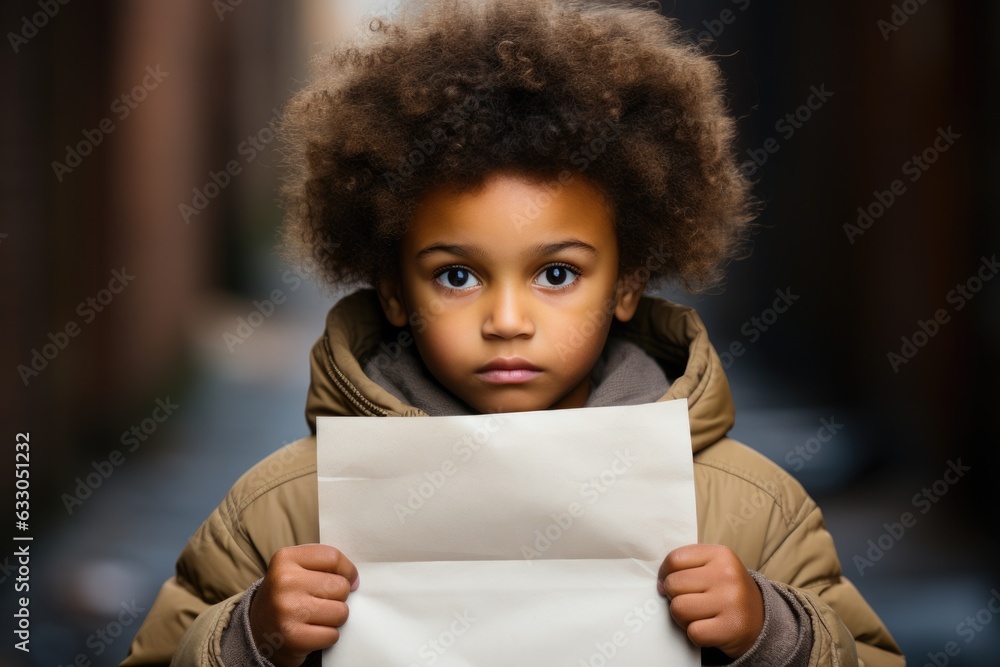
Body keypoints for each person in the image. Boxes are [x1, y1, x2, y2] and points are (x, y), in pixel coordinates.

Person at [121, 0, 904, 665]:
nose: (506, 320)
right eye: (456, 275)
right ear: (394, 290)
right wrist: (246, 636)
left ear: (627, 281)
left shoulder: (747, 506)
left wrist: (777, 632)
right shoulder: (286, 506)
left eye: (557, 273)